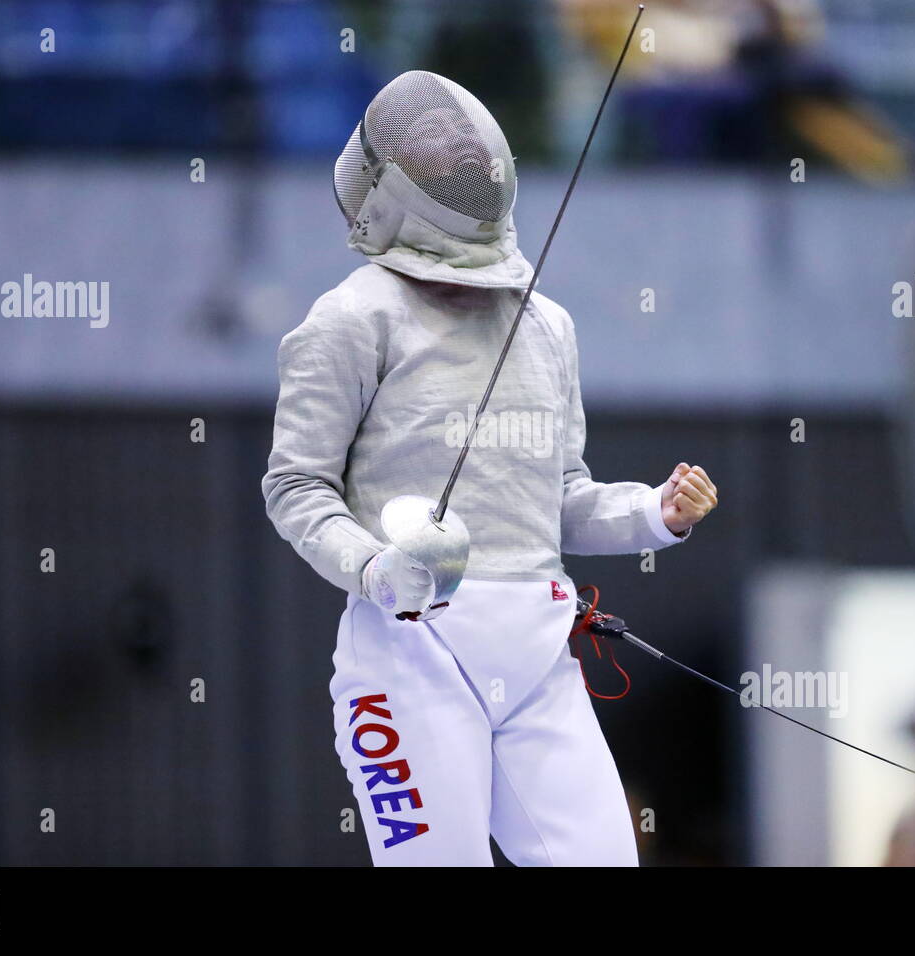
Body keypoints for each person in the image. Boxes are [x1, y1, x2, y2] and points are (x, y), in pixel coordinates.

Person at [262, 71, 718, 866]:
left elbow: (561, 497)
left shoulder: (547, 325)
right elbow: (296, 487)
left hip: (539, 661)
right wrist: (373, 568)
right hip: (409, 662)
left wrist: (656, 513)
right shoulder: (348, 320)